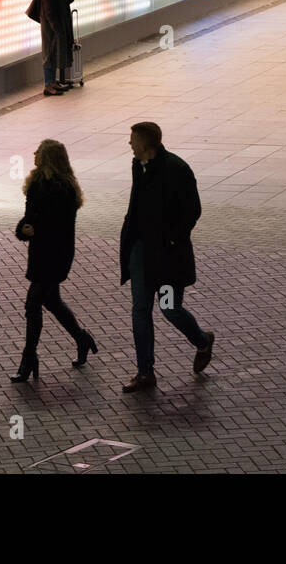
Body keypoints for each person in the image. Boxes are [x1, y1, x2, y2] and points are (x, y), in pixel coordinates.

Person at [119, 122, 213, 393]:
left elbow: (192, 210)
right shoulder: (139, 166)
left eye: (132, 140)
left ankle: (202, 340)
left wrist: (173, 238)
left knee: (170, 308)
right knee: (140, 310)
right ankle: (145, 372)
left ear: (147, 144)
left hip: (168, 258)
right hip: (141, 255)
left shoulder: (176, 169)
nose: (129, 144)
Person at [11, 139, 96, 382]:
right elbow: (30, 216)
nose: (34, 153)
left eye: (39, 151)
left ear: (49, 157)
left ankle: (29, 357)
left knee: (33, 304)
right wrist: (24, 228)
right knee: (52, 301)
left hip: (56, 254)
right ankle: (82, 339)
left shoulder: (63, 189)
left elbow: (60, 225)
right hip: (40, 252)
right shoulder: (36, 183)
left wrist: (34, 229)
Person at [37, 0, 77, 96]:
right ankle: (48, 85)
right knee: (49, 56)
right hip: (52, 31)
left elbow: (59, 5)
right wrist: (57, 30)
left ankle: (52, 81)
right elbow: (50, 13)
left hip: (55, 29)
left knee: (53, 56)